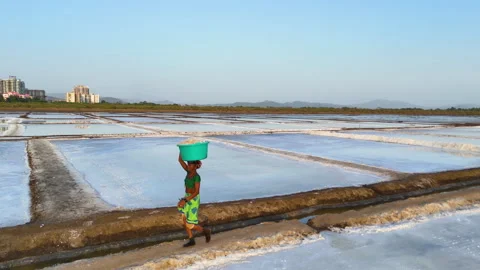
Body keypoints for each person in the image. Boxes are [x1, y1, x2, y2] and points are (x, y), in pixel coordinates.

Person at [177, 154, 211, 247]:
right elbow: (180, 160)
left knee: (189, 224)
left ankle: (205, 231)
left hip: (193, 199)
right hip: (187, 196)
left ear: (196, 166)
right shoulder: (188, 171)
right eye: (188, 164)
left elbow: (196, 192)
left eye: (190, 164)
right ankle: (191, 239)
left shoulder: (197, 177)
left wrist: (185, 200)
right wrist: (182, 149)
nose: (188, 166)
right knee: (184, 219)